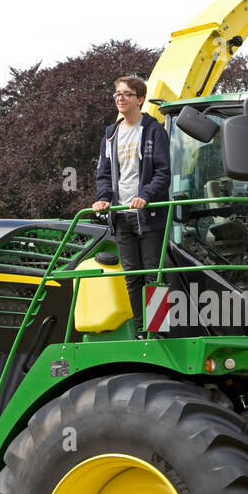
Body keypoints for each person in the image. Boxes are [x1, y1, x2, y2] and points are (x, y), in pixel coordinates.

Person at [92, 76, 171, 335]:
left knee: (153, 275)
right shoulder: (111, 134)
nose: (120, 98)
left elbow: (163, 172)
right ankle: (142, 331)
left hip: (148, 214)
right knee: (132, 277)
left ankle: (158, 330)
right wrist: (104, 198)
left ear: (140, 99)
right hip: (120, 215)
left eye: (126, 94)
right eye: (117, 93)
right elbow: (104, 173)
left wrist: (146, 195)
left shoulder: (153, 130)